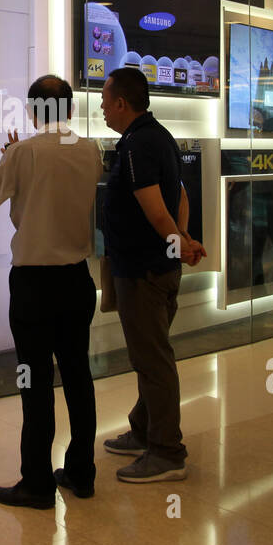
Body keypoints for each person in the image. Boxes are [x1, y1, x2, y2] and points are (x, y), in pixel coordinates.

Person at [0, 75, 104, 508]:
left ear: (33, 112)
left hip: (36, 287)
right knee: (78, 375)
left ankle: (38, 482)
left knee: (34, 381)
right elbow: (53, 183)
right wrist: (16, 163)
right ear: (71, 111)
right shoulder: (90, 150)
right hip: (78, 281)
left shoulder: (24, 154)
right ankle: (81, 472)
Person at [99, 68, 206, 483]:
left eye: (106, 102)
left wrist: (177, 240)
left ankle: (166, 452)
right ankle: (144, 430)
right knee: (152, 353)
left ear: (122, 103)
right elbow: (179, 192)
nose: (103, 110)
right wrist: (181, 239)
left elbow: (152, 206)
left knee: (153, 359)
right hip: (158, 265)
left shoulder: (137, 144)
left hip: (143, 271)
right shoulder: (156, 135)